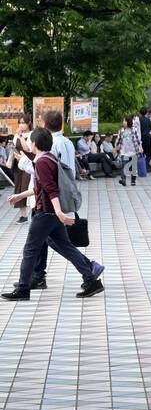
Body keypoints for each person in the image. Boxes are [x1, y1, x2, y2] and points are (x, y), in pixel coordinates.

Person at [2, 126, 105, 301]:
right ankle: (91, 280)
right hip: (52, 214)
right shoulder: (49, 158)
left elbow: (51, 190)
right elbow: (40, 188)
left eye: (28, 140)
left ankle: (23, 288)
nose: (27, 143)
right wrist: (20, 195)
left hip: (46, 214)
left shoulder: (42, 162)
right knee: (66, 247)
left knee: (30, 250)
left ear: (34, 143)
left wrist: (59, 213)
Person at [117, 115, 139, 186]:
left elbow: (137, 139)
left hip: (133, 151)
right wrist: (116, 147)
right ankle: (123, 180)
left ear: (128, 122)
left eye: (124, 121)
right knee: (124, 166)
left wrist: (140, 147)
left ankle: (133, 181)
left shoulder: (134, 129)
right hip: (124, 152)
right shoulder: (121, 130)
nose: (123, 122)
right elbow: (118, 140)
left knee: (133, 167)